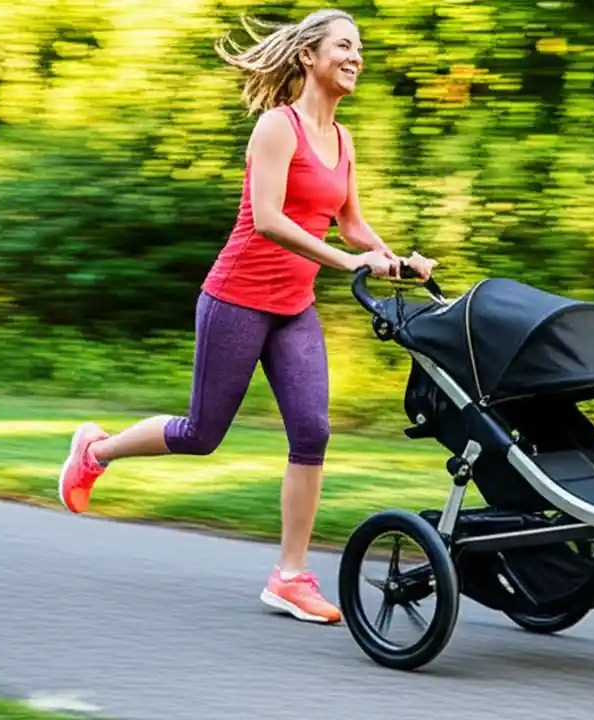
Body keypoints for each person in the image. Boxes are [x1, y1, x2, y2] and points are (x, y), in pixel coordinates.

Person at [57, 8, 434, 625]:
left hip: (293, 308)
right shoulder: (275, 128)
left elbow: (352, 222)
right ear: (309, 56)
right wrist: (345, 262)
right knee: (202, 435)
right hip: (235, 299)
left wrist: (394, 258)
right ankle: (97, 450)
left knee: (312, 432)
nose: (355, 57)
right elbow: (268, 219)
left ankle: (290, 576)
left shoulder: (343, 140)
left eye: (359, 48)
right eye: (344, 45)